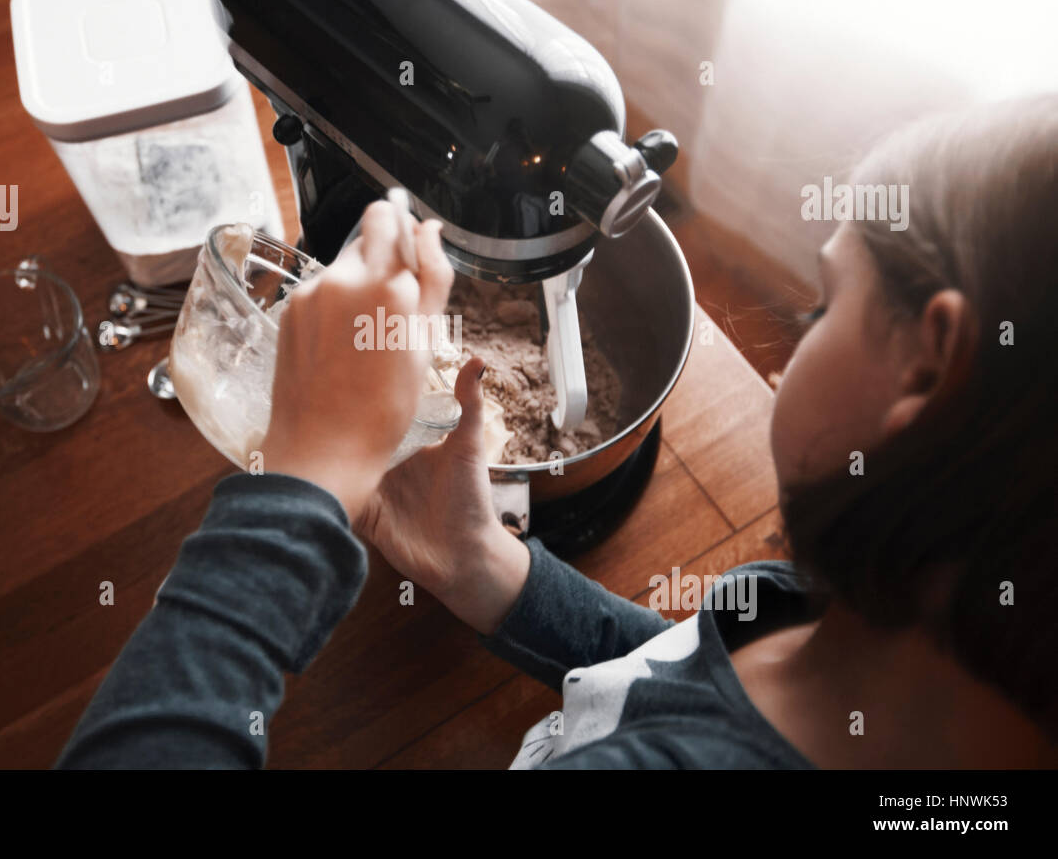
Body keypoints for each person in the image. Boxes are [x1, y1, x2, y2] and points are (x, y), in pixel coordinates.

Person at [56, 97, 1058, 768]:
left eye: (823, 305)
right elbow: (687, 673)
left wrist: (301, 488)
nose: (794, 344)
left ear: (924, 368)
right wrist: (486, 570)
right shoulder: (868, 616)